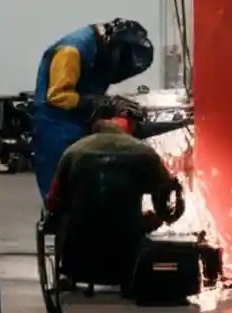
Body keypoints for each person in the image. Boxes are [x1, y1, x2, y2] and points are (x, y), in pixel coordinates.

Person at [45, 119, 183, 291]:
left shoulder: (73, 152)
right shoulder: (144, 153)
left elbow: (53, 201)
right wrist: (156, 218)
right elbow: (165, 197)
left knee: (66, 218)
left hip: (80, 247)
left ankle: (69, 276)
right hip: (126, 246)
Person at [31, 19, 155, 199]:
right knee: (60, 197)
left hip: (77, 126)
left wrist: (108, 106)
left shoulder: (103, 51)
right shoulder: (71, 51)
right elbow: (57, 96)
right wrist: (105, 104)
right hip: (56, 131)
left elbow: (91, 92)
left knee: (84, 195)